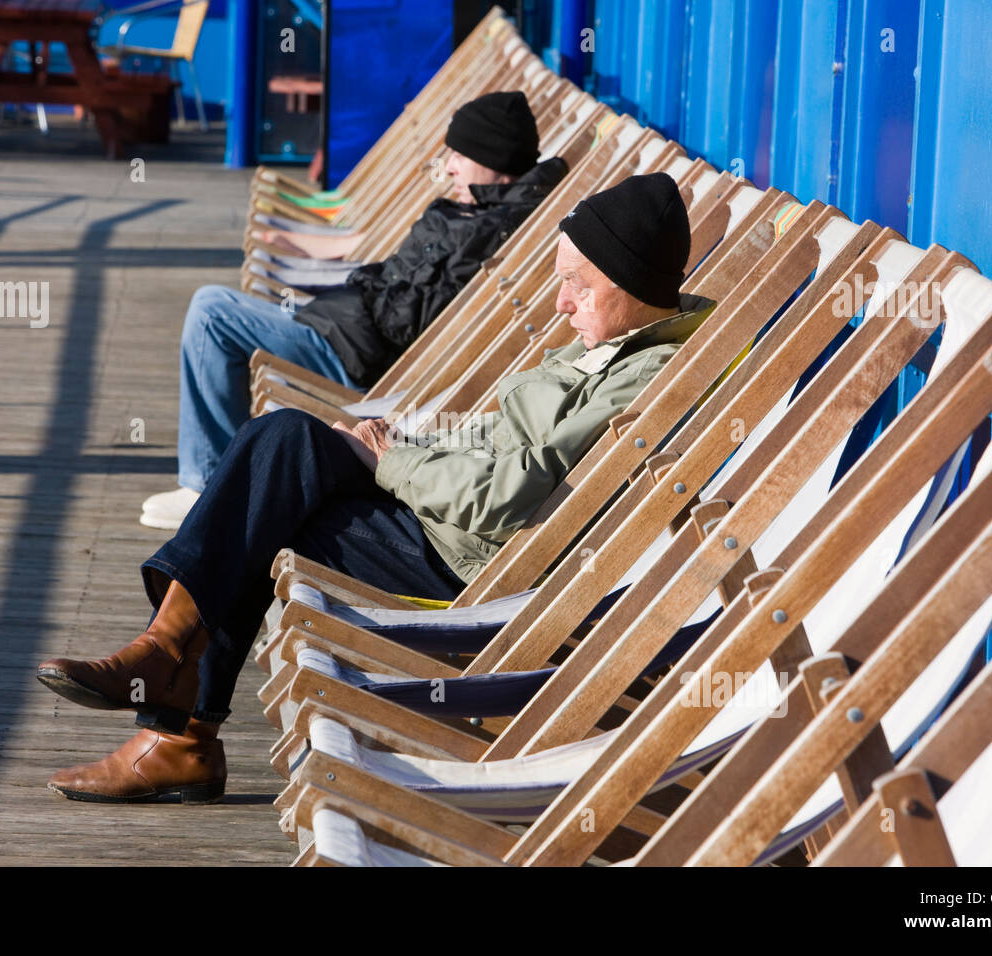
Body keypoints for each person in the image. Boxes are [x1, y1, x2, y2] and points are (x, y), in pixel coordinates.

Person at [37, 172, 714, 803]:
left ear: (629, 279)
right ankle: (170, 688)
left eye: (580, 285)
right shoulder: (606, 339)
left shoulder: (643, 378)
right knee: (280, 443)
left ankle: (174, 710)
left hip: (469, 564)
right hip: (438, 515)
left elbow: (504, 497)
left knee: (262, 499)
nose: (562, 303)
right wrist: (395, 444)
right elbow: (496, 442)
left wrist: (391, 463)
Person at [140, 90, 568, 530]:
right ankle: (212, 481)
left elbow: (407, 322)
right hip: (341, 324)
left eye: (460, 154)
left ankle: (207, 487)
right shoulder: (475, 214)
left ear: (493, 159)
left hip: (353, 355)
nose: (449, 167)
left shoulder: (486, 232)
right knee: (215, 305)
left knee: (212, 311)